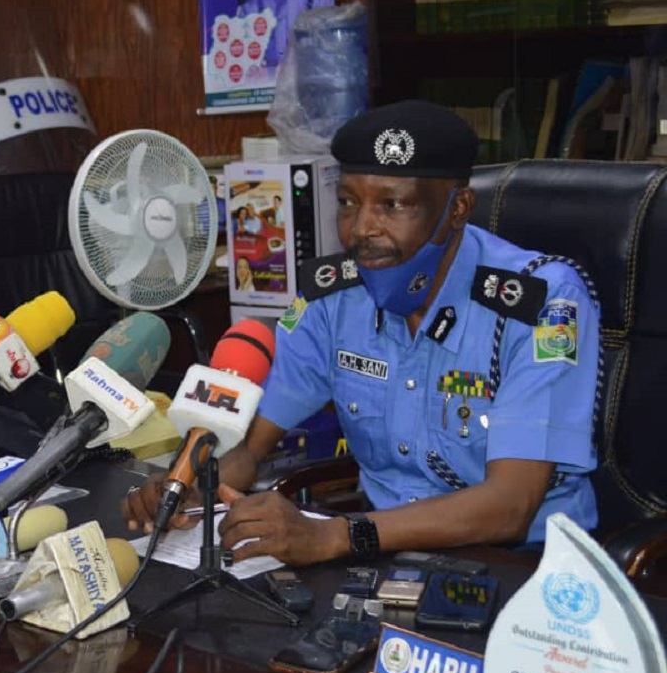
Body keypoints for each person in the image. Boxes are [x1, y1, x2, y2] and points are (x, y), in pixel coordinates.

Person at [122, 100, 600, 566]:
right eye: (349, 202)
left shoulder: (541, 302)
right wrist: (189, 488)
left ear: (458, 208)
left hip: (523, 565)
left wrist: (337, 536)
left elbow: (511, 506)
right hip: (380, 556)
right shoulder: (334, 297)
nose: (361, 229)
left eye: (393, 205)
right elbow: (249, 444)